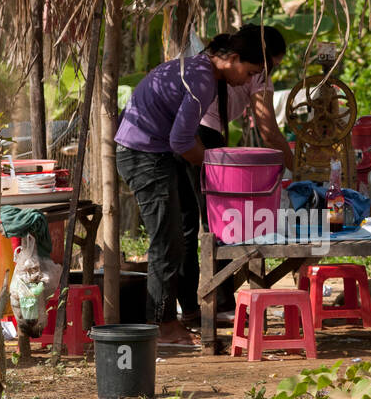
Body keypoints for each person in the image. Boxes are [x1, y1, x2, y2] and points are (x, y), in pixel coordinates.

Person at [114, 30, 271, 347]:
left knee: (171, 240)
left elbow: (186, 134)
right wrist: (218, 168)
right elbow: (181, 141)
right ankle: (162, 325)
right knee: (168, 242)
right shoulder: (202, 79)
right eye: (250, 72)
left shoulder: (198, 68)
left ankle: (165, 321)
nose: (248, 80)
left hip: (147, 153)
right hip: (144, 156)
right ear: (233, 59)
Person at [178, 25, 289, 327]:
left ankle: (191, 306)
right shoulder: (254, 70)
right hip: (200, 138)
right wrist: (291, 166)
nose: (264, 74)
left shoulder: (222, 57)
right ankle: (221, 301)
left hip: (189, 136)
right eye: (269, 66)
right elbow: (268, 131)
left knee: (192, 224)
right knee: (223, 222)